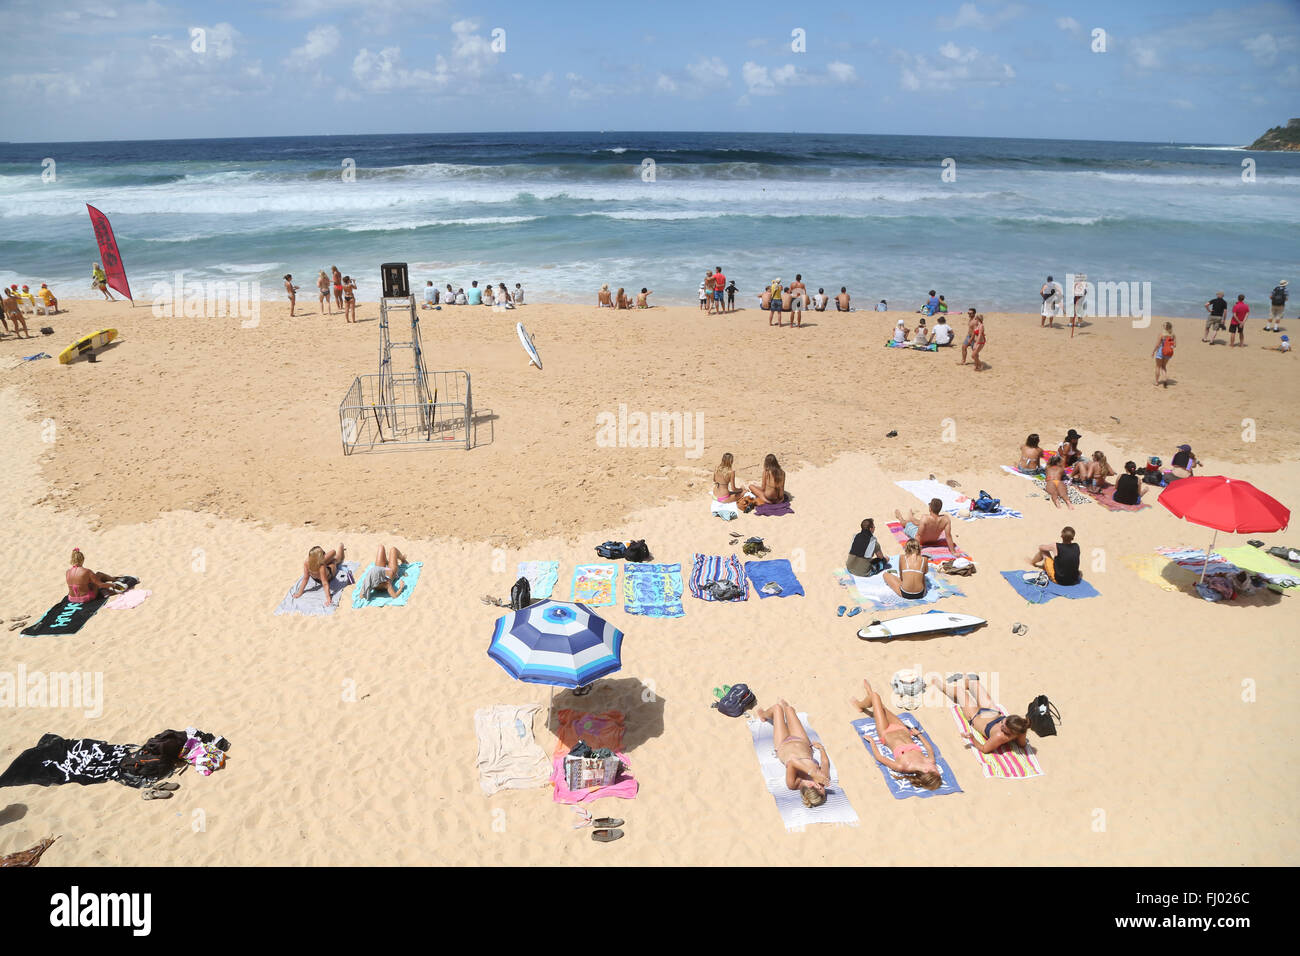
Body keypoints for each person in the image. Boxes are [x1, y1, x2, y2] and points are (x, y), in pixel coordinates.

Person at [850, 678, 943, 791]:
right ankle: (869, 694)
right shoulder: (930, 761)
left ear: (926, 771)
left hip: (885, 731)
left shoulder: (902, 766)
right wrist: (918, 734)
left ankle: (860, 705)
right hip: (901, 728)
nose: (937, 768)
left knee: (875, 697)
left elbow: (880, 757)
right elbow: (928, 747)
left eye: (936, 771)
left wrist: (872, 742)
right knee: (881, 707)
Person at [754, 699, 830, 807]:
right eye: (822, 788)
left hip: (782, 744)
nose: (822, 786)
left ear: (811, 788)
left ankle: (764, 715)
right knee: (789, 709)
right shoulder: (822, 779)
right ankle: (784, 712)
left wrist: (812, 773)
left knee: (777, 708)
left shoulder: (794, 784)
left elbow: (792, 762)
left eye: (821, 788)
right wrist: (821, 749)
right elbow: (825, 762)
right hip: (802, 741)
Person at [929, 675, 1030, 755]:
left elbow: (984, 749)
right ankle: (967, 681)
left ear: (1011, 732)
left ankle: (939, 684)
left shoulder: (1000, 736)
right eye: (1003, 721)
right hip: (992, 711)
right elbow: (1022, 744)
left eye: (1003, 727)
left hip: (975, 715)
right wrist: (1020, 735)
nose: (1000, 725)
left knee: (959, 691)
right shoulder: (1020, 727)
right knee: (975, 684)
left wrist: (972, 737)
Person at [893, 498, 957, 550]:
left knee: (907, 523)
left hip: (922, 541)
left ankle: (900, 518)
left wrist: (916, 550)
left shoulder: (925, 518)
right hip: (934, 540)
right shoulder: (946, 519)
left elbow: (918, 535)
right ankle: (911, 517)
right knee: (918, 523)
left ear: (930, 508)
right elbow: (948, 536)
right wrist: (953, 551)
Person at [1153, 321, 1175, 387]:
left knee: (1158, 367)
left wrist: (1153, 351)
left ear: (1164, 327)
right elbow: (1174, 345)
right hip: (1168, 353)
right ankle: (1165, 379)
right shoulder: (1173, 335)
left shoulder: (1161, 334)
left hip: (1160, 352)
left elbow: (1157, 345)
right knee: (1164, 366)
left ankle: (1156, 382)